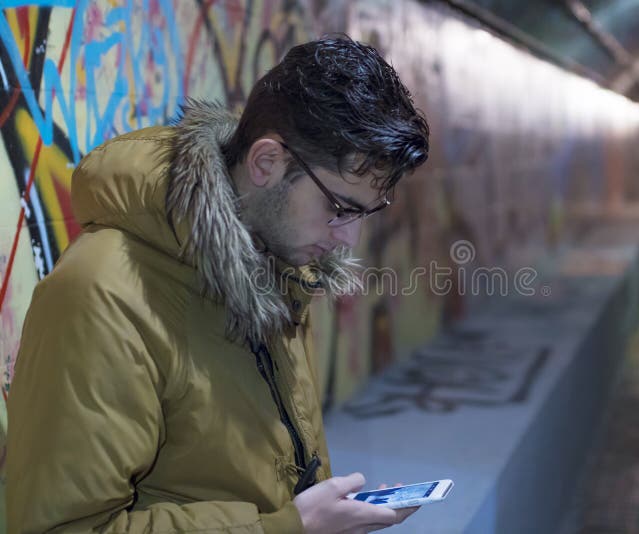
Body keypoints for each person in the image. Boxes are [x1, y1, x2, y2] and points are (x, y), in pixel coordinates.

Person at [6, 35, 429, 533]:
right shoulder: (100, 296)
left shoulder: (279, 267)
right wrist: (290, 528)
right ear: (267, 162)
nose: (347, 238)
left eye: (364, 213)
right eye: (339, 208)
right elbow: (61, 527)